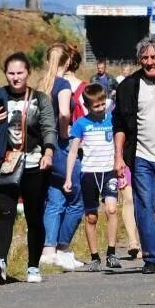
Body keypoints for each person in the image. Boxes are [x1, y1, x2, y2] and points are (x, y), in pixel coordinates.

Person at [0, 52, 56, 285]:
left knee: (34, 217)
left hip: (34, 164)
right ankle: (0, 261)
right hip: (3, 164)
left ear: (28, 73)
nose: (15, 78)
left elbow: (48, 128)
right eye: (11, 73)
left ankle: (33, 266)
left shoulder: (40, 100)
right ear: (5, 74)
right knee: (5, 212)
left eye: (20, 73)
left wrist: (49, 152)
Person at [113, 35, 155, 274]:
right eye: (145, 58)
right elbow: (119, 125)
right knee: (144, 205)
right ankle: (151, 257)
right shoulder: (128, 87)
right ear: (139, 60)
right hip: (142, 157)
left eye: (154, 57)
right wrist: (118, 157)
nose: (150, 62)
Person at [39, 43, 87, 271]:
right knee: (77, 200)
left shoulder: (41, 85)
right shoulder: (64, 84)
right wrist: (66, 134)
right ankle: (63, 247)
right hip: (62, 145)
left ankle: (48, 250)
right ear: (67, 62)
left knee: (55, 199)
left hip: (44, 147)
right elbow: (65, 112)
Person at [64, 82, 122, 269]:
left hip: (108, 171)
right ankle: (95, 257)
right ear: (87, 107)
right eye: (96, 106)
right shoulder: (81, 124)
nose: (100, 108)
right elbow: (73, 152)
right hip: (89, 173)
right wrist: (68, 177)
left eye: (102, 104)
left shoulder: (112, 120)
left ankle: (112, 253)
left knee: (112, 209)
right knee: (91, 217)